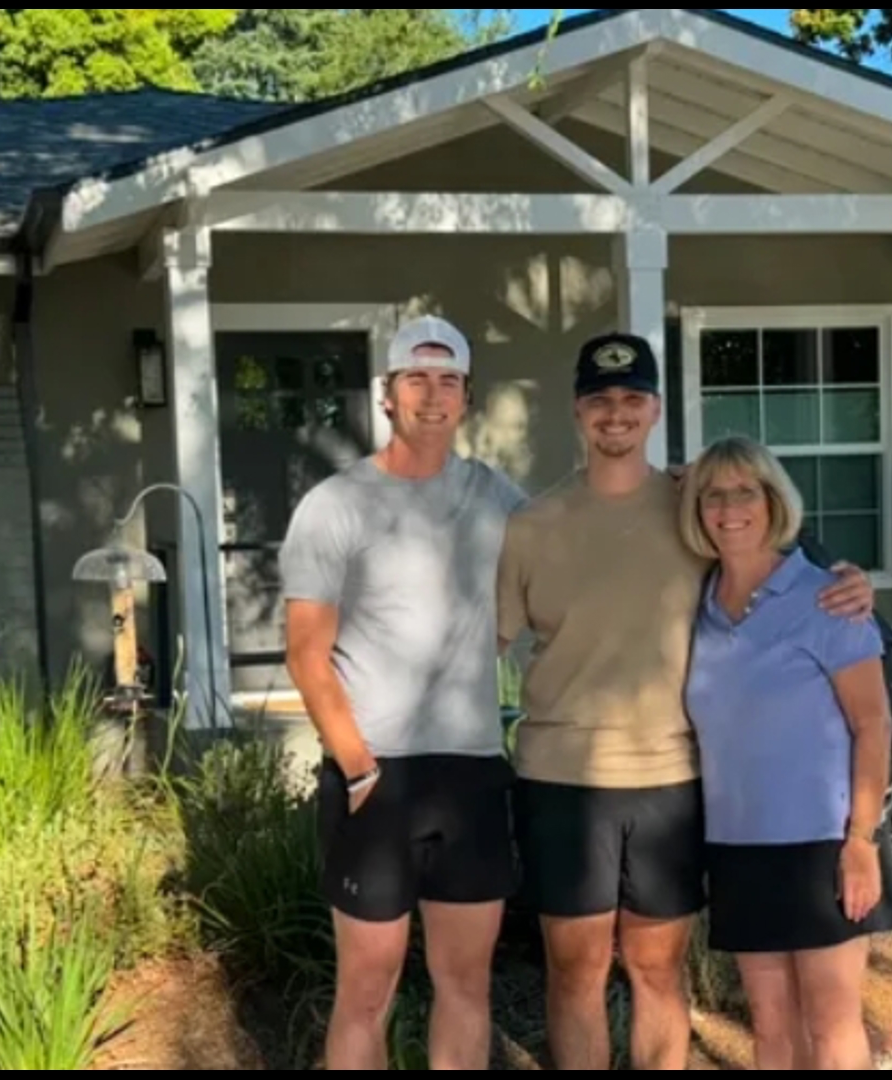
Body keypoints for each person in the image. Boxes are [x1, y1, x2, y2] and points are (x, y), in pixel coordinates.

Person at [494, 332, 877, 1070]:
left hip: (670, 781)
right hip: (562, 778)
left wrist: (849, 577)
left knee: (656, 971)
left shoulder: (693, 508)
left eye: (632, 398)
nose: (616, 414)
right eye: (600, 400)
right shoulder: (530, 525)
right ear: (578, 411)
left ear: (655, 409)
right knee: (574, 974)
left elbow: (774, 555)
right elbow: (481, 642)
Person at [279, 314, 529, 1070]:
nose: (432, 395)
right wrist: (356, 764)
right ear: (388, 394)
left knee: (465, 982)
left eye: (447, 380)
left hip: (473, 771)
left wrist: (677, 491)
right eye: (415, 379)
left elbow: (584, 545)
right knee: (367, 987)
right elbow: (305, 654)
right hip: (375, 774)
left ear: (466, 397)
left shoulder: (499, 499)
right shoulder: (336, 505)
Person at [677, 434, 892, 1071]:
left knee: (831, 1026)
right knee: (771, 1031)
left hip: (823, 844)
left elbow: (874, 725)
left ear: (773, 500)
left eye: (745, 491)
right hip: (737, 846)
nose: (729, 508)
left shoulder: (828, 599)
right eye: (713, 495)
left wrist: (861, 841)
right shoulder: (697, 604)